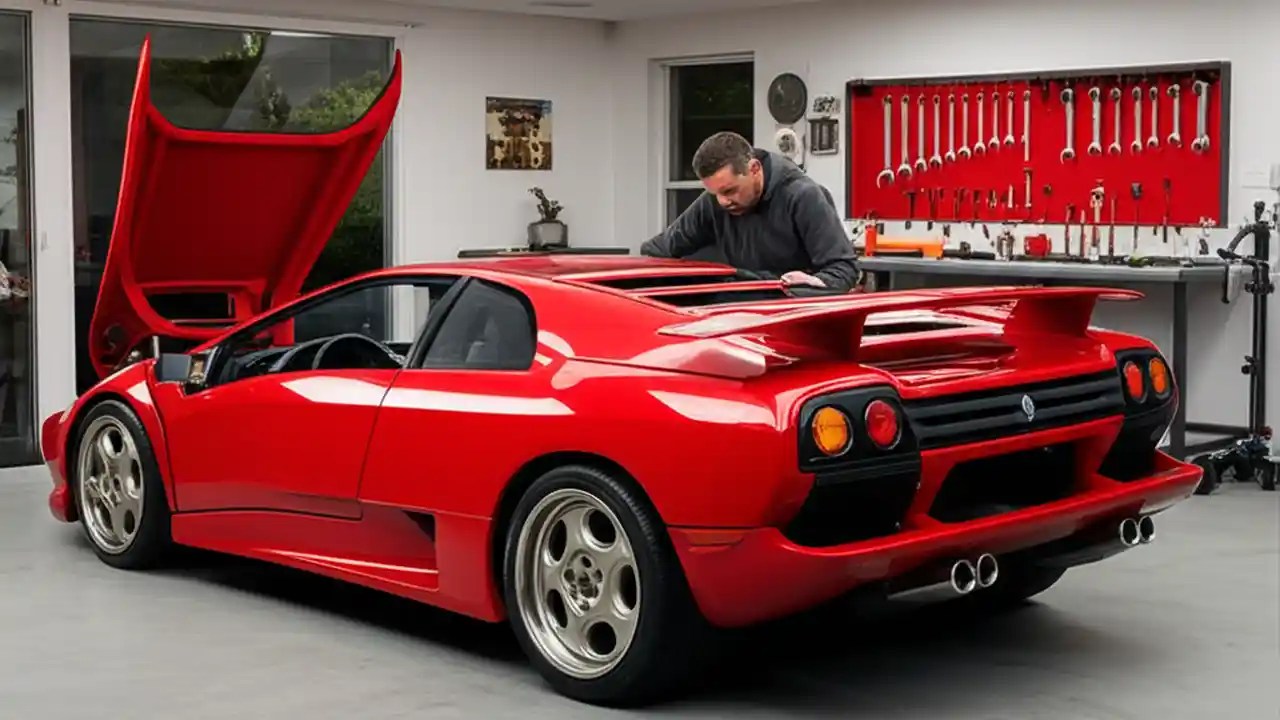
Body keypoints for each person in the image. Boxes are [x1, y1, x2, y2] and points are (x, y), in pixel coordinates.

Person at [640, 131, 859, 292]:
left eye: (730, 190)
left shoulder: (802, 196)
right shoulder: (713, 202)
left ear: (754, 169)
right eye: (715, 193)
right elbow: (657, 250)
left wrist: (813, 285)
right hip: (736, 314)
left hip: (790, 315)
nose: (723, 201)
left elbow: (843, 270)